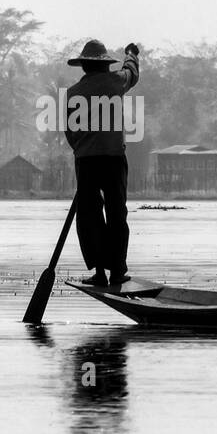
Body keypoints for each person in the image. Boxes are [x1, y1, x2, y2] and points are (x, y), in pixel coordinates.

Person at [65, 39, 140, 287]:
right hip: (113, 159)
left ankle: (99, 273)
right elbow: (132, 73)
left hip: (86, 161)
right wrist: (131, 53)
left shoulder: (73, 93)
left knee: (90, 217)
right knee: (117, 214)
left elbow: (70, 132)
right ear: (105, 66)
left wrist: (82, 150)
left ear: (84, 67)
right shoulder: (115, 82)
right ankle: (117, 271)